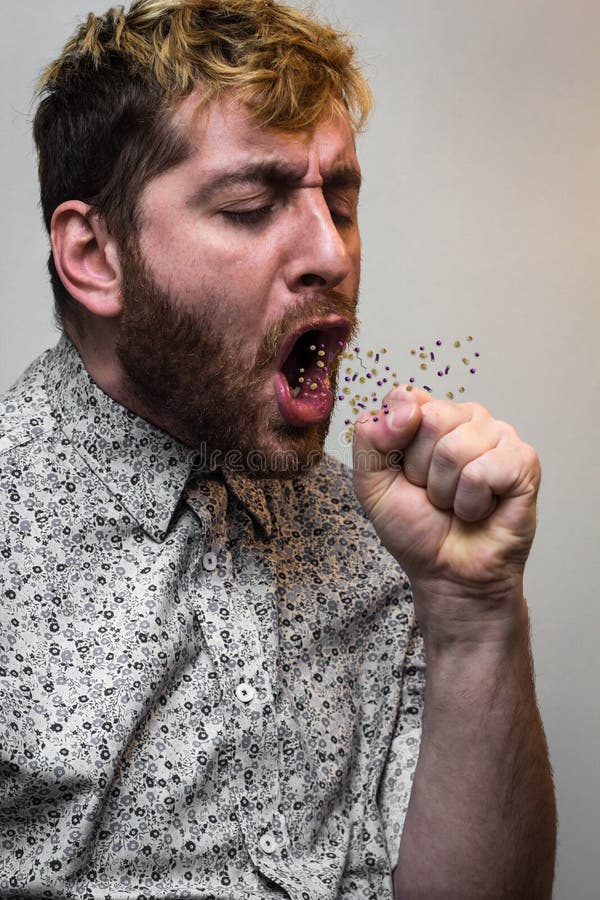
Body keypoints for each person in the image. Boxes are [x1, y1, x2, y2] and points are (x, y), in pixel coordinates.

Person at [0, 1, 556, 898]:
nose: (331, 253)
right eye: (252, 207)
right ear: (95, 255)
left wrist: (474, 618)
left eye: (340, 202)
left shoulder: (389, 538)